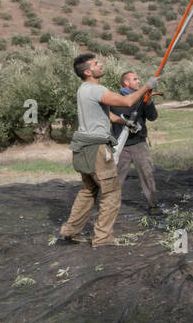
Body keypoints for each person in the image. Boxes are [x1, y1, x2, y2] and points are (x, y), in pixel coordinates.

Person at [59, 53, 157, 247]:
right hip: (96, 149)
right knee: (111, 192)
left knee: (89, 190)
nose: (100, 65)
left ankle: (70, 231)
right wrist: (147, 86)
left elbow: (109, 116)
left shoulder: (83, 90)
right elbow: (127, 102)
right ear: (88, 71)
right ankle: (102, 238)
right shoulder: (96, 89)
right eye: (96, 64)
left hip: (82, 149)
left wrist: (125, 122)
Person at [110, 69, 161, 216]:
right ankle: (110, 208)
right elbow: (106, 115)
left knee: (148, 174)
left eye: (138, 79)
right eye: (135, 79)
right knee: (116, 179)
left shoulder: (142, 99)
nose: (139, 81)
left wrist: (149, 103)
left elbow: (153, 117)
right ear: (126, 82)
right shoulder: (115, 99)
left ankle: (153, 206)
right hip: (120, 146)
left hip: (139, 144)